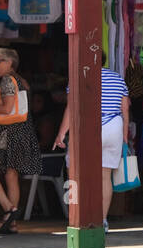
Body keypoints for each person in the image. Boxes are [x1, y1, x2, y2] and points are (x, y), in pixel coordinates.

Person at [54, 58, 130, 230]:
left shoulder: (79, 78)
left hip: (89, 127)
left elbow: (71, 108)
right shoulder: (118, 78)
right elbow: (124, 109)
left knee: (74, 173)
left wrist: (61, 133)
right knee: (105, 177)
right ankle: (102, 220)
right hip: (113, 127)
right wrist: (124, 135)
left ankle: (76, 218)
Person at [0, 48, 40, 235]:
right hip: (22, 131)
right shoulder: (23, 81)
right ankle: (11, 223)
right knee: (12, 175)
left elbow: (7, 108)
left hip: (6, 132)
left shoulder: (6, 81)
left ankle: (9, 209)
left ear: (10, 63)